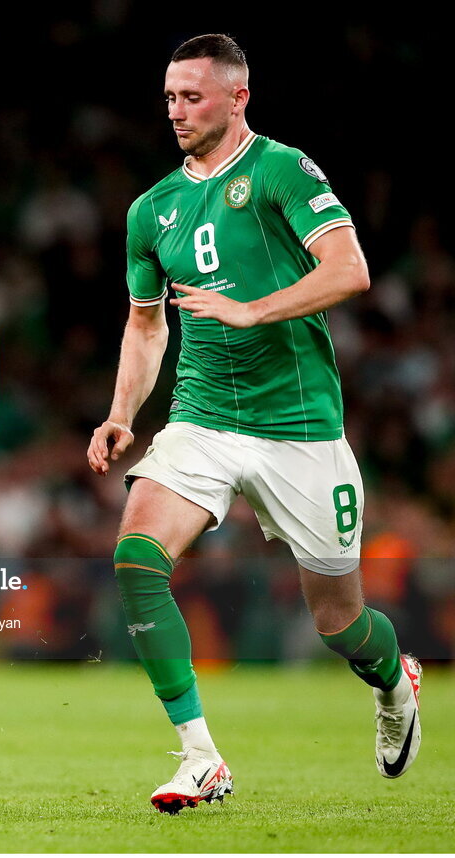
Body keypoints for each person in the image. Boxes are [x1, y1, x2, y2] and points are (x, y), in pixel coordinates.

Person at [87, 34, 421, 815]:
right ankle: (200, 758)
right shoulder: (151, 210)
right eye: (168, 96)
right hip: (203, 417)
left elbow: (350, 268)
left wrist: (250, 309)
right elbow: (146, 327)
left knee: (340, 623)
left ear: (239, 97)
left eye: (192, 95)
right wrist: (120, 413)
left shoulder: (280, 168)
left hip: (300, 428)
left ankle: (393, 678)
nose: (176, 109)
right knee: (136, 558)